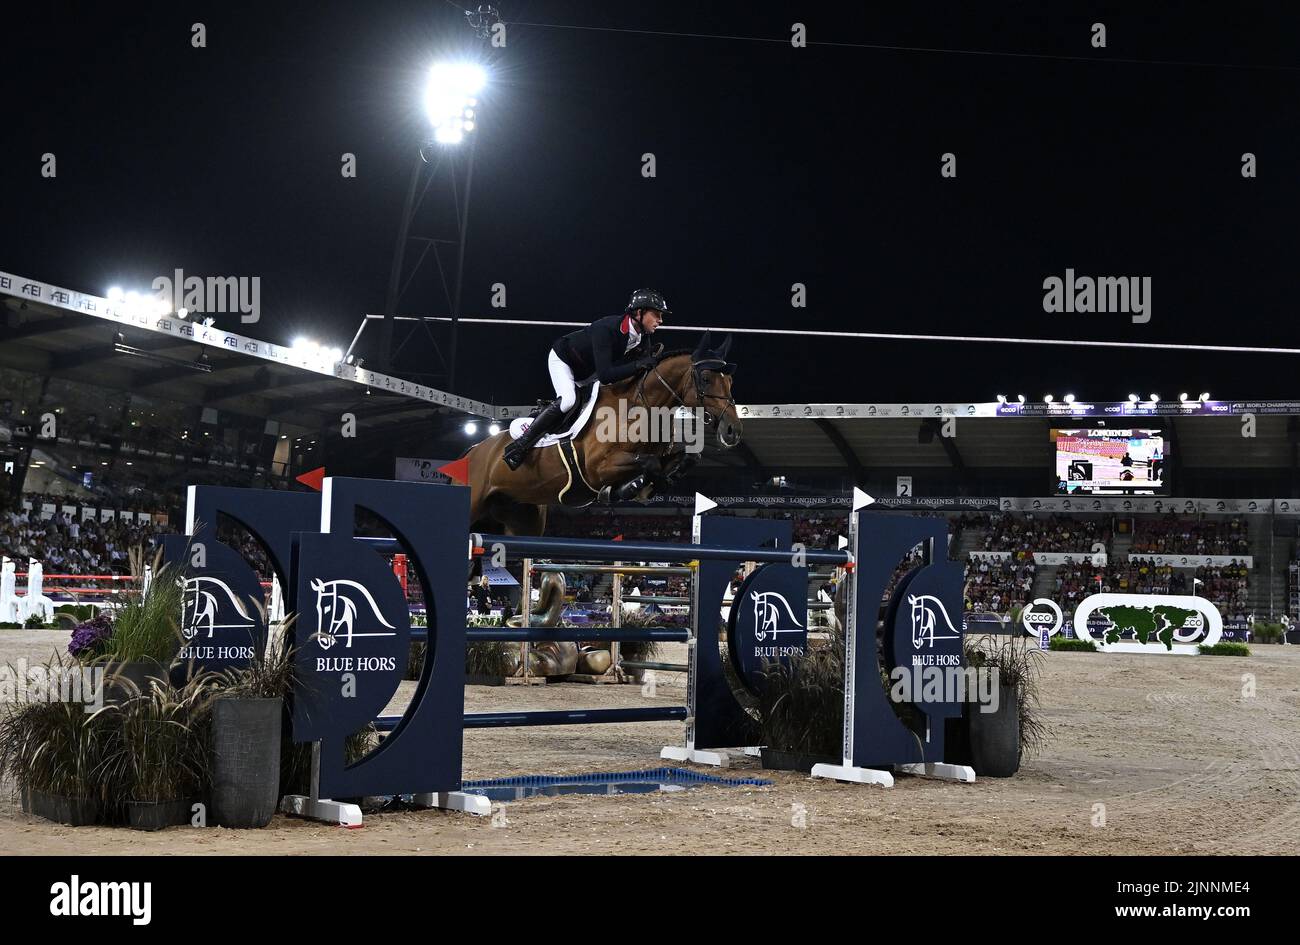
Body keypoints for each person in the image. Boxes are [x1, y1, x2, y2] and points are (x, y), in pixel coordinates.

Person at [502, 288, 668, 470]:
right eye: (657, 314)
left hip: (589, 372)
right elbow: (606, 376)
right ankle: (519, 446)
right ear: (639, 312)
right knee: (568, 401)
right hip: (565, 360)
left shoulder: (642, 338)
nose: (660, 320)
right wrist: (638, 365)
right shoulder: (607, 328)